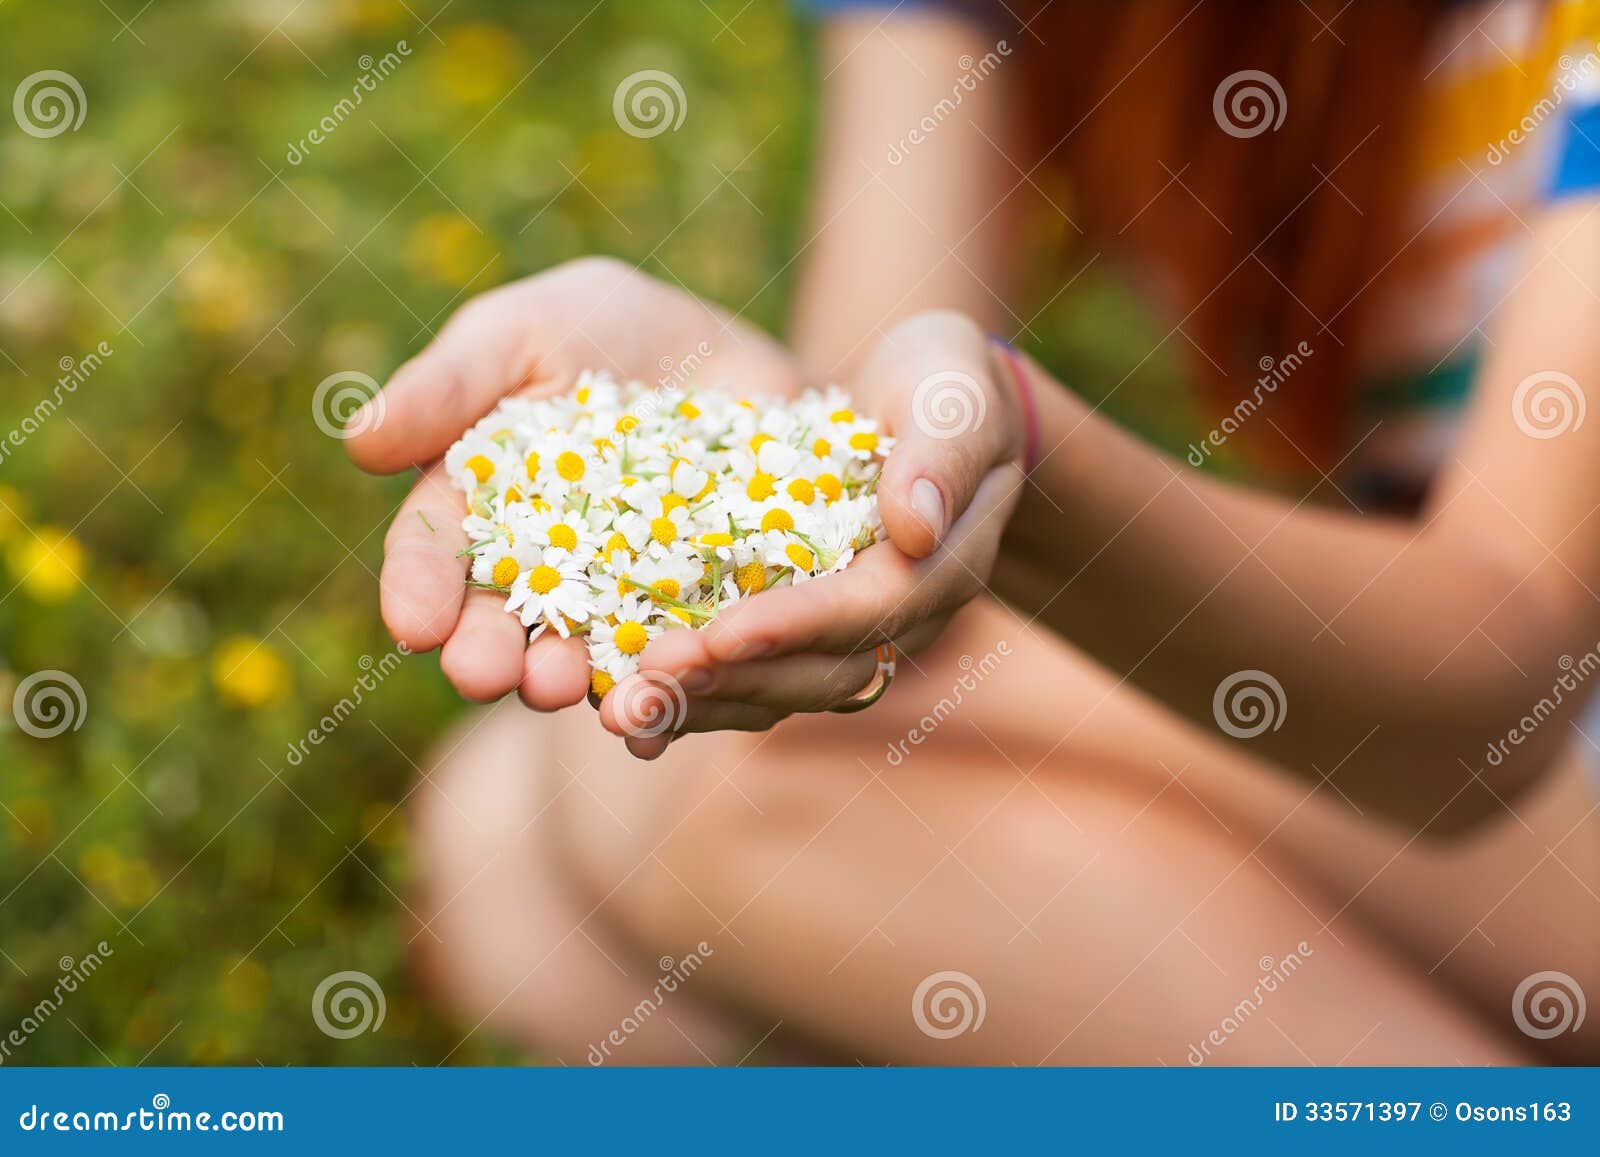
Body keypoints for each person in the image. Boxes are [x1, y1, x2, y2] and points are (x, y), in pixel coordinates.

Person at [347, 0, 1600, 1063]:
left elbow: (1493, 702)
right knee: (512, 857)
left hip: (1510, 744)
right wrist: (778, 461)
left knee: (682, 802)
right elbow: (865, 429)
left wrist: (1017, 453)